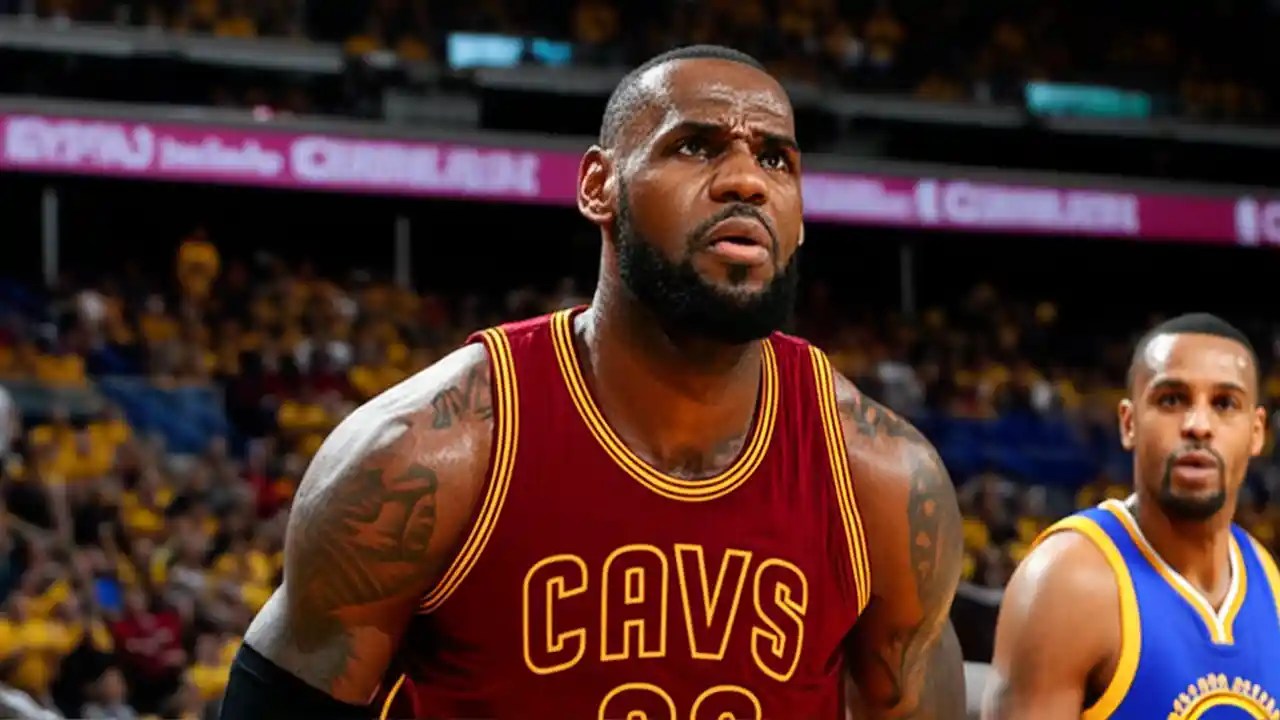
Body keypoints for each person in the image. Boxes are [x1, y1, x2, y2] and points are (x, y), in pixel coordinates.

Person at [221, 44, 965, 720]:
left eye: (777, 161)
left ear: (800, 220)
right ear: (598, 186)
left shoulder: (884, 478)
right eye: (697, 146)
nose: (745, 179)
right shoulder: (433, 450)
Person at [982, 313, 1280, 720]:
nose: (1197, 425)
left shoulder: (1270, 583)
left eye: (1224, 404)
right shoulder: (1068, 581)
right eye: (1172, 399)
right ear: (1129, 422)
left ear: (1257, 431)